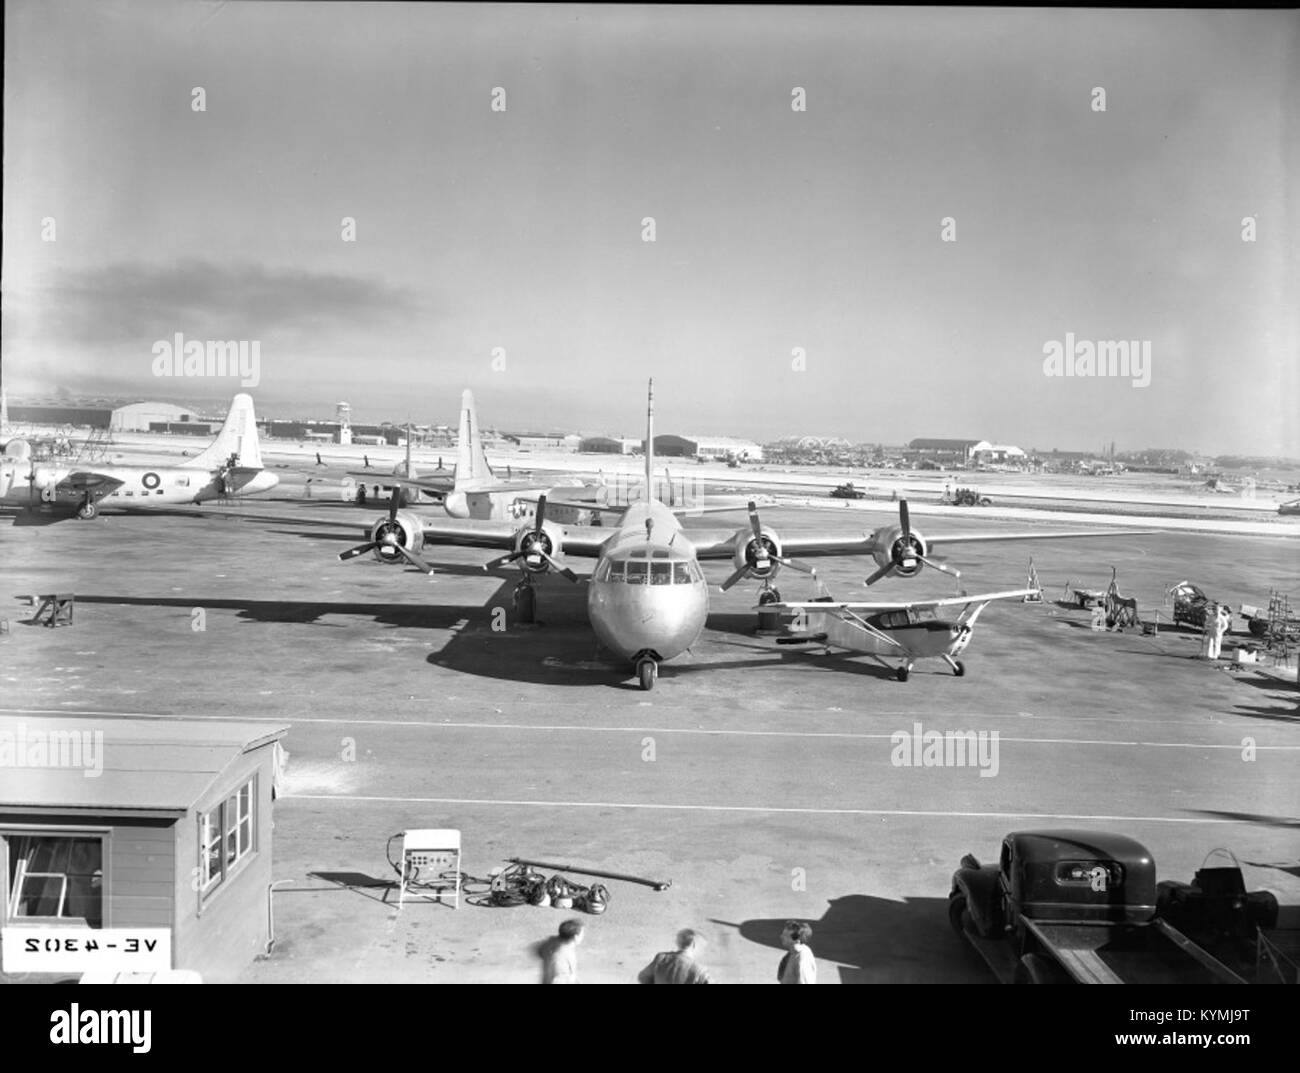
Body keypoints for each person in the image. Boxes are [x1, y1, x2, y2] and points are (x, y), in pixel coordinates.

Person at [637, 929, 711, 984]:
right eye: (702, 947)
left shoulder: (661, 958)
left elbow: (643, 976)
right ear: (694, 945)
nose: (702, 951)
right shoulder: (699, 970)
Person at [540, 919, 584, 984]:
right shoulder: (561, 957)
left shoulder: (554, 943)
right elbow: (556, 980)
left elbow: (540, 951)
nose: (583, 936)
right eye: (582, 934)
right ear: (575, 937)